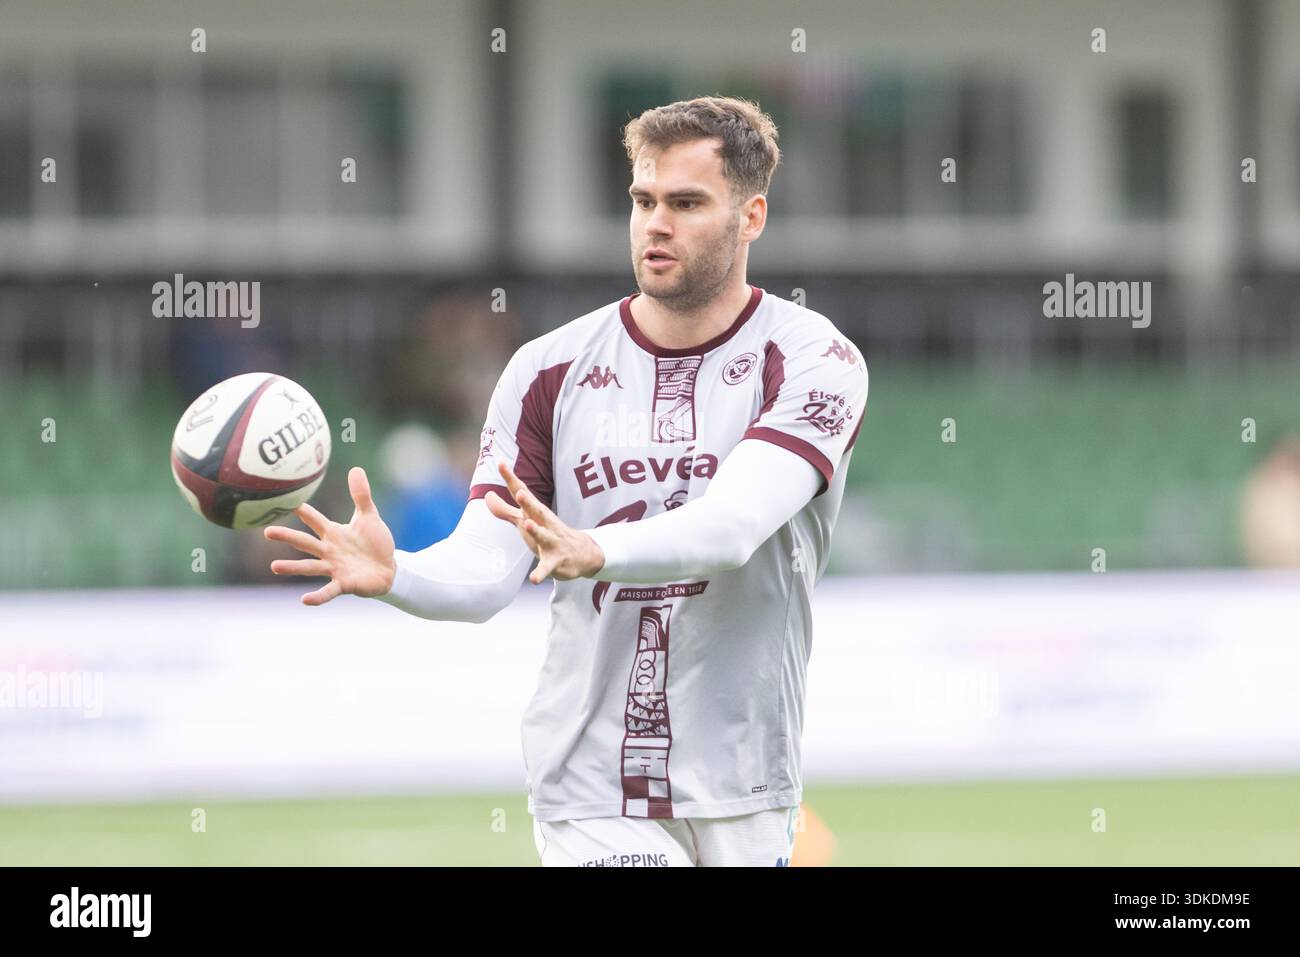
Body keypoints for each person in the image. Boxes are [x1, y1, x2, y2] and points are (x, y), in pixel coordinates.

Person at [265, 95, 868, 866]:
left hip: (747, 776)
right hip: (590, 779)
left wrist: (596, 548)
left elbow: (733, 528)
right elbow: (486, 572)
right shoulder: (547, 370)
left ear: (750, 218)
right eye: (643, 201)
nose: (657, 223)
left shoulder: (815, 359)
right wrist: (398, 573)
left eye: (687, 203)